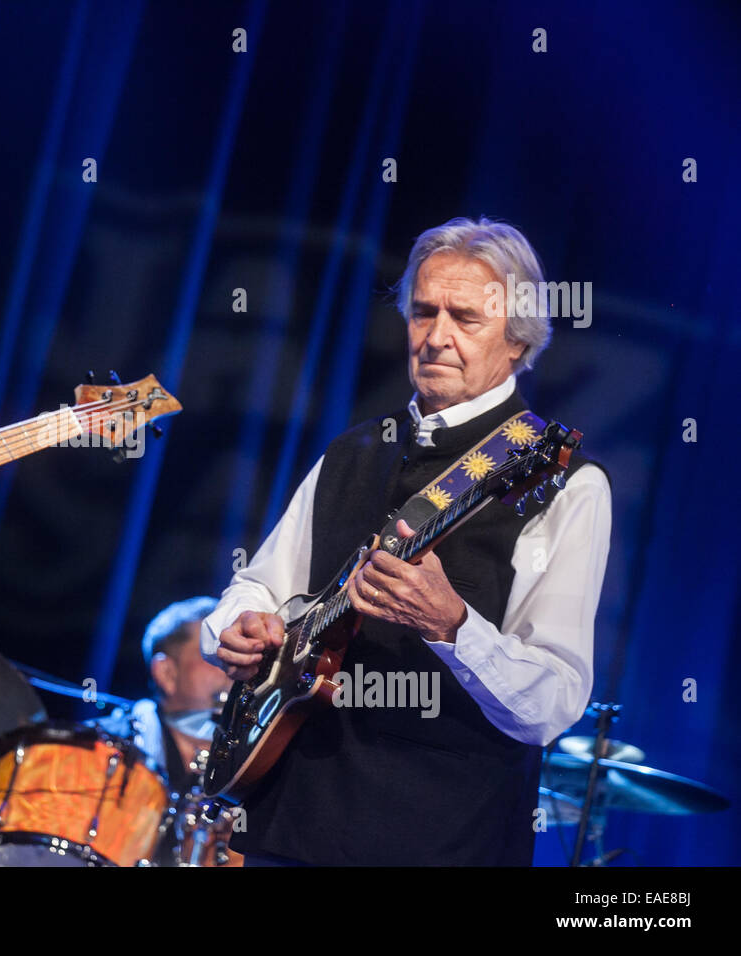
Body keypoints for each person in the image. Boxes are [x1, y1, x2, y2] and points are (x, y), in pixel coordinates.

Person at [202, 217, 612, 866]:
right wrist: (235, 624)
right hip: (287, 824)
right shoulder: (352, 448)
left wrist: (453, 626)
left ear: (517, 337)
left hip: (440, 842)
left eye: (465, 318)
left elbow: (554, 701)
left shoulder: (564, 481)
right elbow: (259, 584)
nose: (437, 337)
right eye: (423, 313)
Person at [98, 596, 235, 864]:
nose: (234, 669)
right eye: (216, 655)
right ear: (167, 673)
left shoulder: (258, 759)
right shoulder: (105, 749)